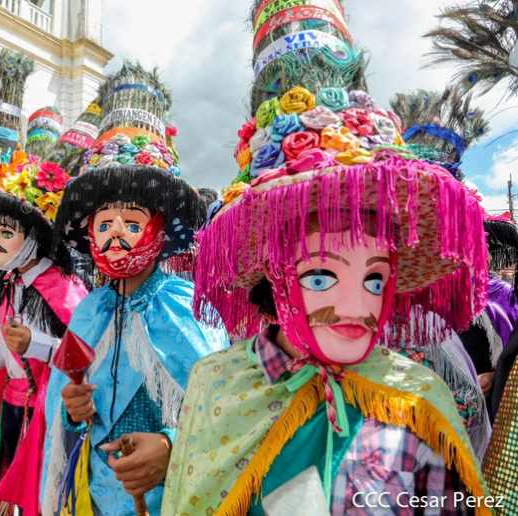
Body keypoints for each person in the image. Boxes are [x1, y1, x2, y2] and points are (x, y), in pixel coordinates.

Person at [162, 2, 491, 513]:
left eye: (376, 280)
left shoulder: (417, 403)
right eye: (320, 277)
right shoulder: (216, 386)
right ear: (274, 271)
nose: (356, 307)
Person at [41, 62, 228, 516]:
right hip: (97, 495)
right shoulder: (89, 312)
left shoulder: (186, 308)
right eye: (105, 224)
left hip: (170, 498)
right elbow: (60, 418)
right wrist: (73, 408)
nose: (116, 237)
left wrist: (171, 447)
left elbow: (222, 411)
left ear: (160, 230)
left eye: (131, 223)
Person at [0, 187, 88, 515]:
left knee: (41, 498)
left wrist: (35, 345)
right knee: (10, 495)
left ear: (34, 238)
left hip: (48, 416)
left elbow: (83, 357)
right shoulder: (8, 285)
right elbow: (3, 352)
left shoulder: (64, 288)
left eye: (6, 232)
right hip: (11, 409)